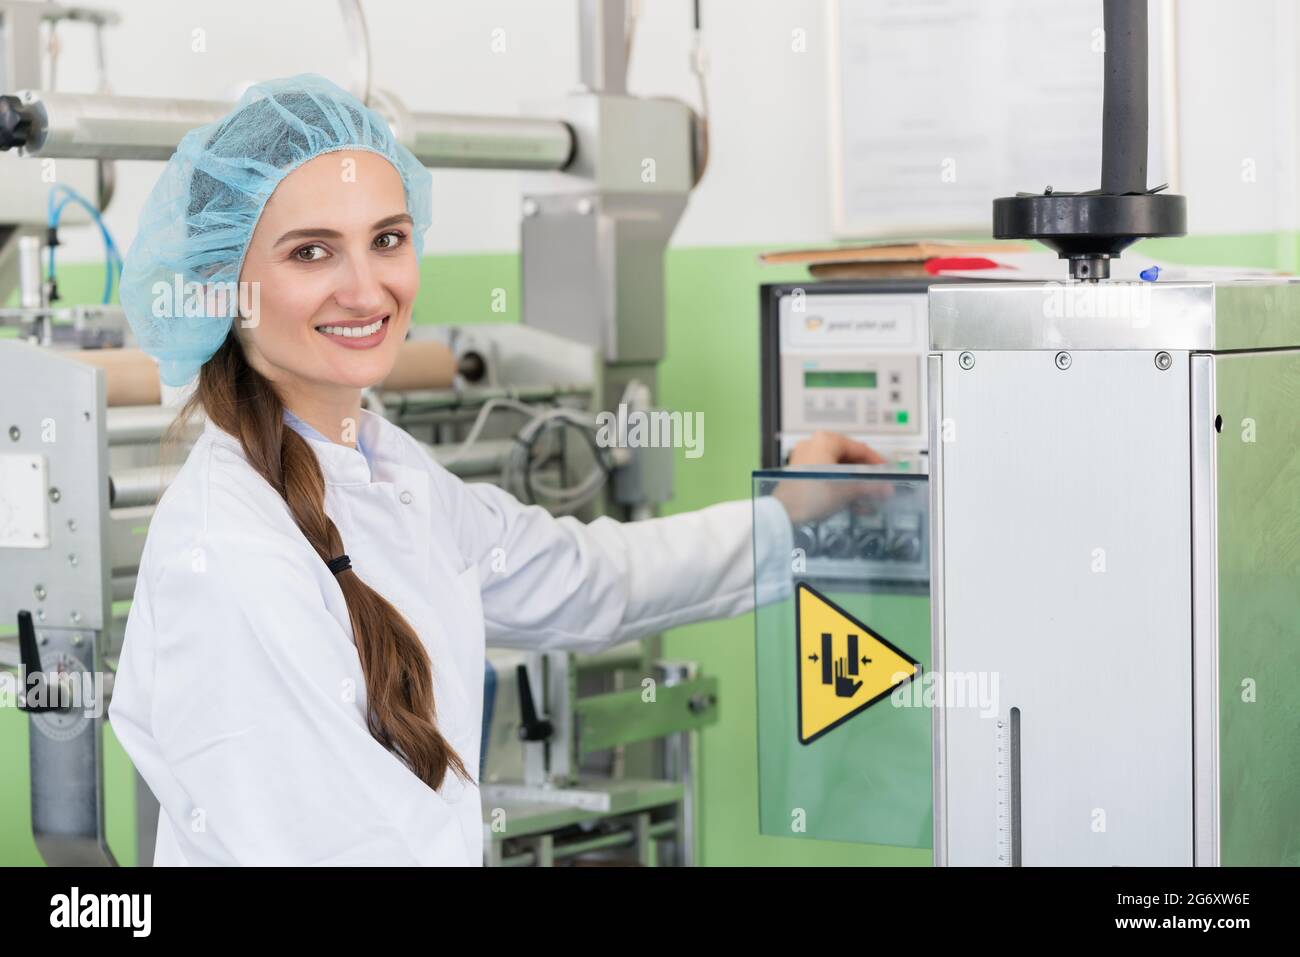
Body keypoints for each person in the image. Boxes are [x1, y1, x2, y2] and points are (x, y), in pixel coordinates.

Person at [108, 73, 882, 866]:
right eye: (312, 251)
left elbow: (589, 578)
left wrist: (789, 512)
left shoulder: (385, 467)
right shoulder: (233, 550)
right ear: (222, 285)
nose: (367, 287)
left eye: (388, 238)